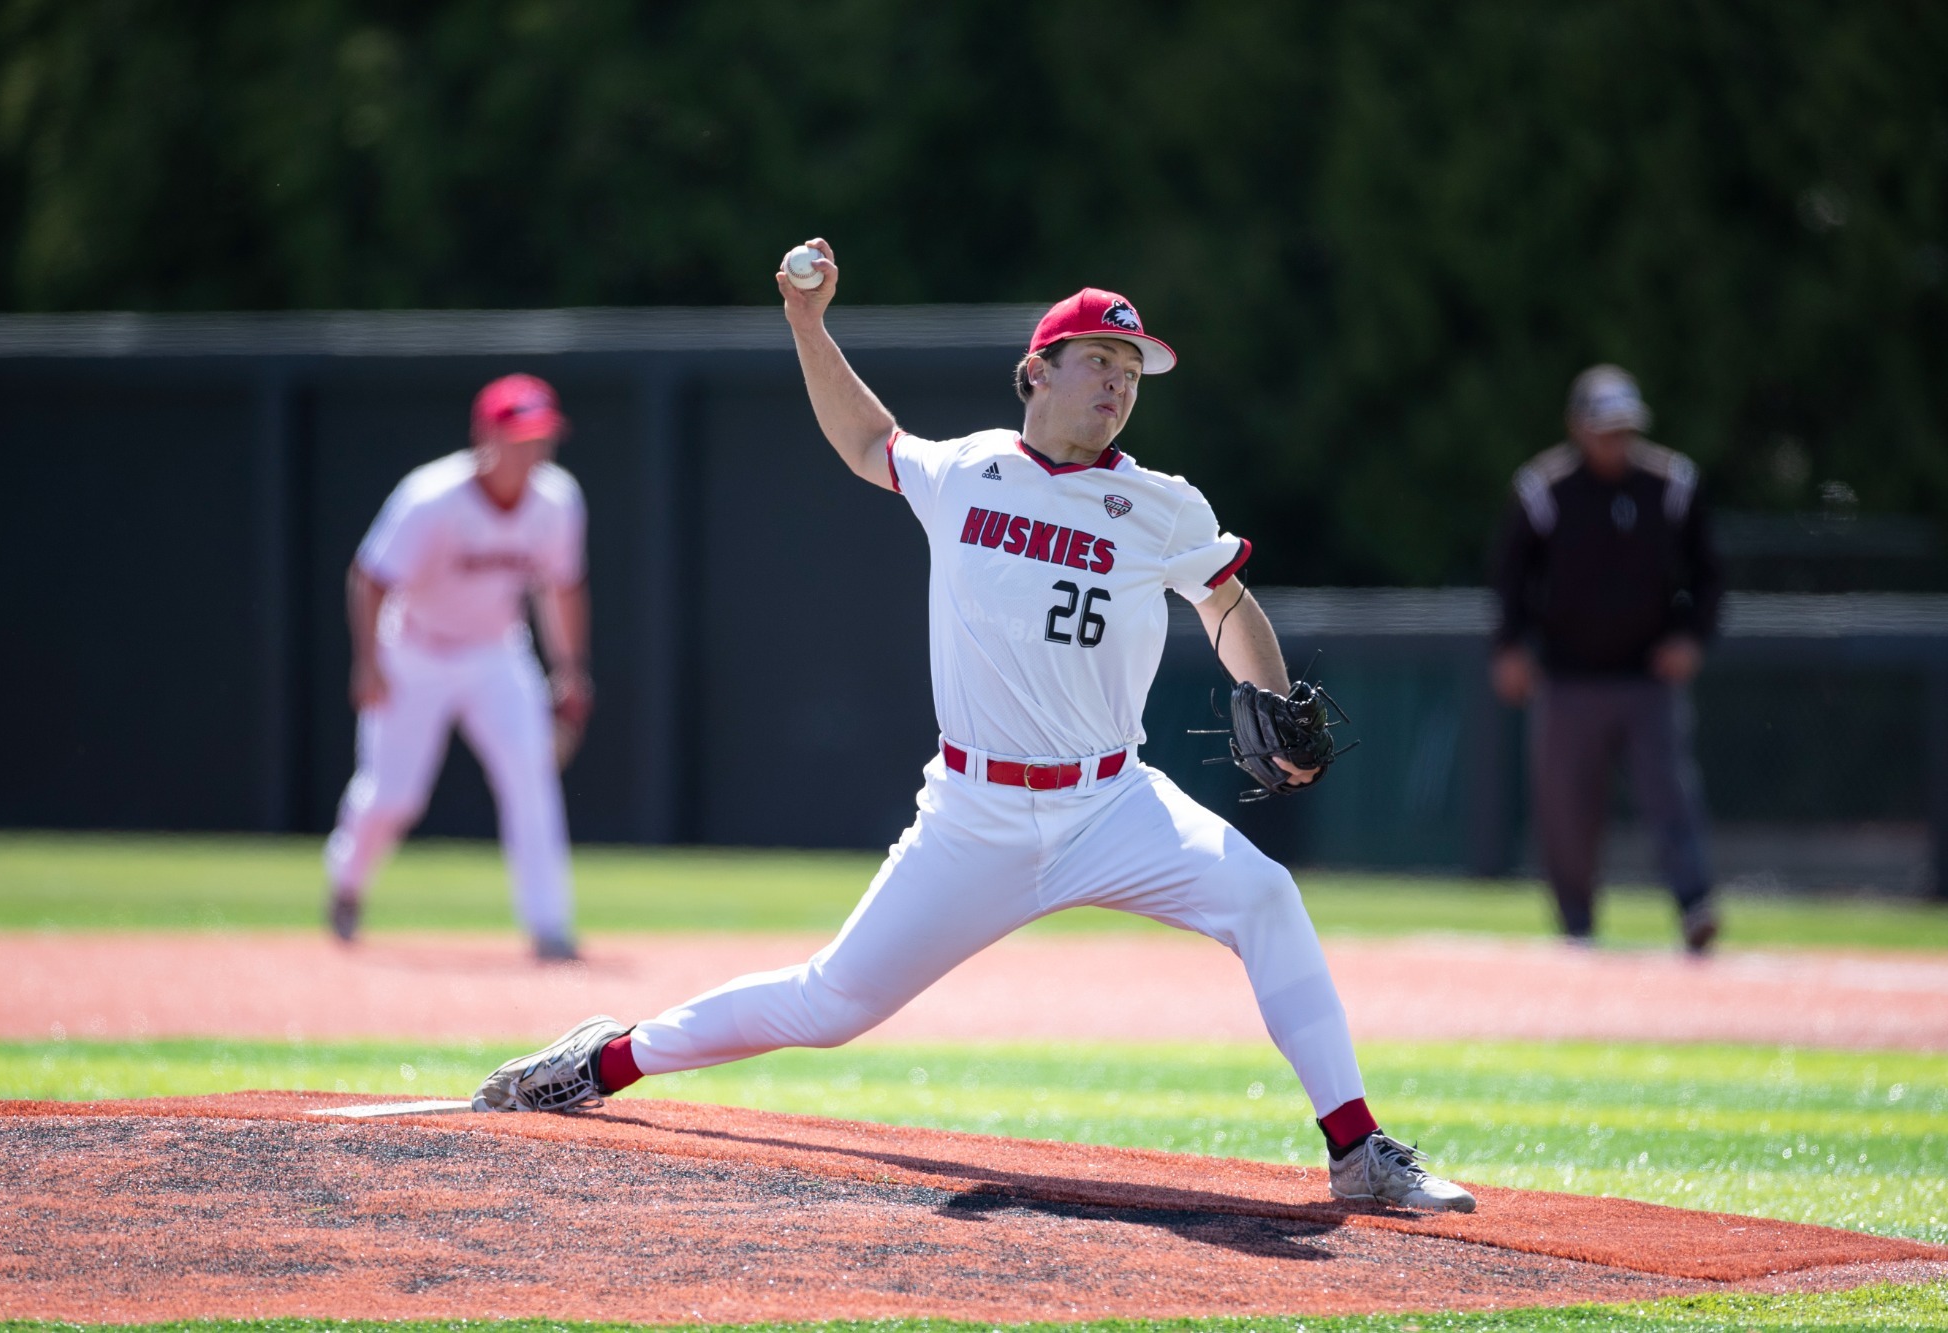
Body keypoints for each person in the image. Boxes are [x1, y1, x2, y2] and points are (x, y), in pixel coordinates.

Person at [470, 240, 1475, 1214]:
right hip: (975, 814)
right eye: (1099, 361)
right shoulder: (966, 473)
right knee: (828, 1007)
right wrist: (805, 322)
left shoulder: (1159, 505)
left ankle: (1355, 1148)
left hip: (1113, 803)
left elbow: (1223, 601)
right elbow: (866, 441)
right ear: (1034, 371)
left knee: (1262, 893)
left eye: (1131, 369)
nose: (1118, 383)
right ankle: (601, 1059)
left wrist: (1271, 690)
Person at [324, 373, 594, 961]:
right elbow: (369, 579)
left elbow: (561, 588)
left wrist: (569, 666)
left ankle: (549, 927)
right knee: (393, 797)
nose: (531, 451)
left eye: (541, 437)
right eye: (520, 435)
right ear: (484, 434)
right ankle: (346, 883)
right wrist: (369, 663)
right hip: (414, 651)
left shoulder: (557, 500)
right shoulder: (431, 497)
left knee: (531, 779)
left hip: (497, 653)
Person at [1490, 365, 1725, 954]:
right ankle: (1577, 924)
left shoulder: (1670, 485)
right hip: (1568, 679)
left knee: (1670, 793)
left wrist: (1693, 637)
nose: (1615, 443)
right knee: (1566, 807)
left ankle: (1695, 904)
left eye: (1624, 430)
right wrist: (1511, 647)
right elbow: (1510, 577)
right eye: (1603, 431)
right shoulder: (1545, 491)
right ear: (1577, 428)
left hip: (1647, 676)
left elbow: (1710, 572)